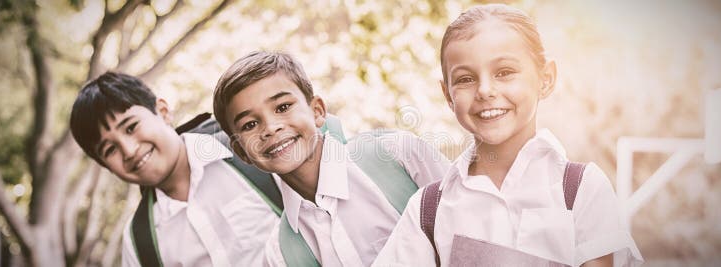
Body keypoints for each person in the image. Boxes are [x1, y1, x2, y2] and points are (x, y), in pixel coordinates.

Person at [373, 4, 643, 267]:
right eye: (466, 79)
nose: (485, 90)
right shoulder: (428, 209)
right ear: (447, 95)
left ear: (545, 79)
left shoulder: (581, 188)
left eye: (504, 73)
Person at [212, 51, 450, 266]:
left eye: (283, 107)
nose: (271, 128)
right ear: (242, 152)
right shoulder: (282, 255)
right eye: (250, 124)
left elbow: (475, 224)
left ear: (317, 111)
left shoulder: (399, 155)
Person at [70, 72, 278, 266]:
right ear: (106, 166)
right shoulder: (139, 244)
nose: (130, 150)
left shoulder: (251, 152)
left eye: (131, 127)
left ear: (162, 112)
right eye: (110, 149)